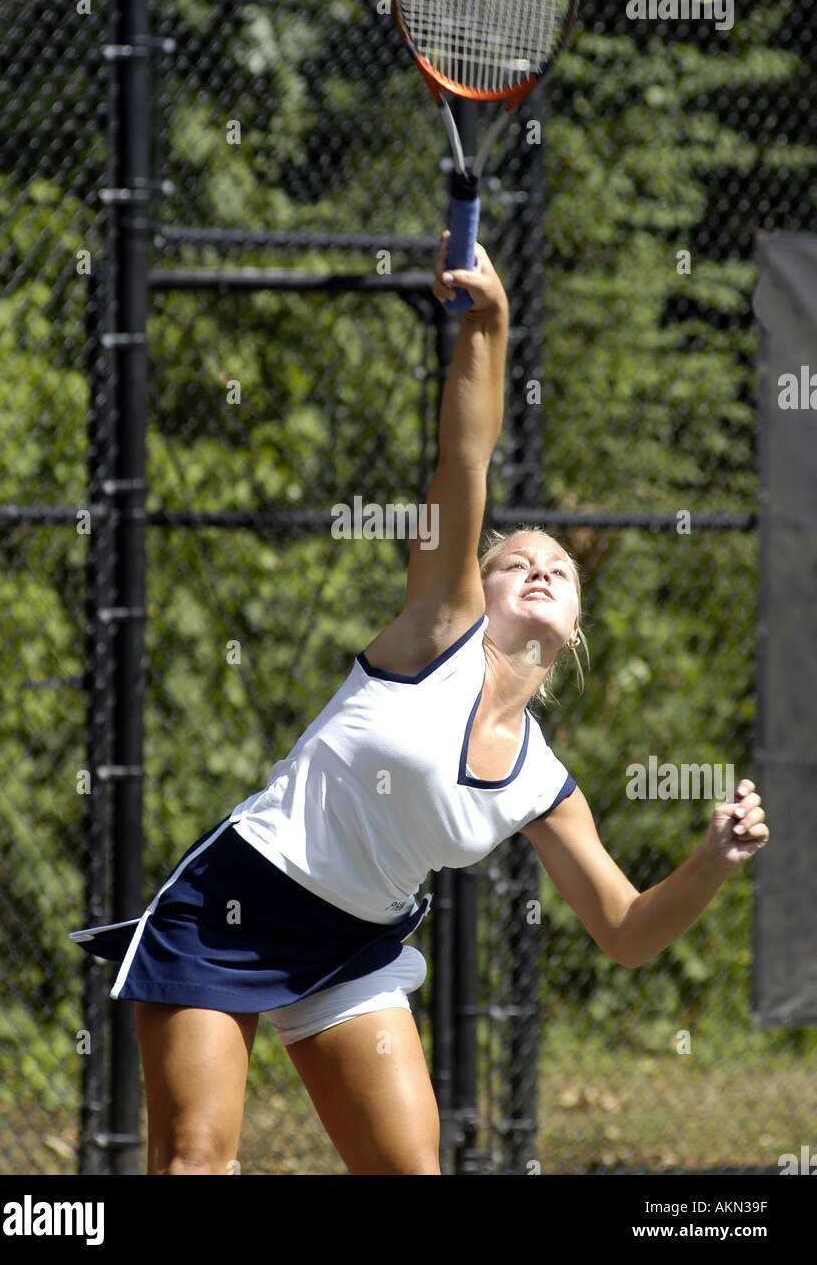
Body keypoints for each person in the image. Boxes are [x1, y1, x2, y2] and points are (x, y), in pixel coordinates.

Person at [70, 236, 769, 1177]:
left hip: (356, 948)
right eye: (515, 558)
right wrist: (491, 326)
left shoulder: (545, 786)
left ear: (574, 627)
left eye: (558, 568)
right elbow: (463, 461)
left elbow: (626, 930)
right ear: (477, 586)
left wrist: (715, 858)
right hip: (232, 906)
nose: (539, 565)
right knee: (195, 1162)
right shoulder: (439, 631)